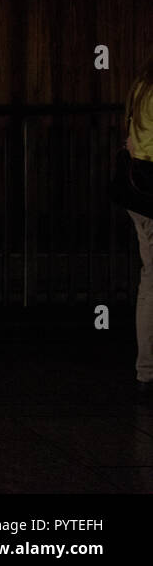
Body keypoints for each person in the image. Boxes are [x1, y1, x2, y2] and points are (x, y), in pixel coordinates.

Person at [123, 56, 153, 397]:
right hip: (151, 193)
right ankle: (146, 370)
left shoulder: (142, 86)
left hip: (139, 192)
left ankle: (146, 370)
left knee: (150, 280)